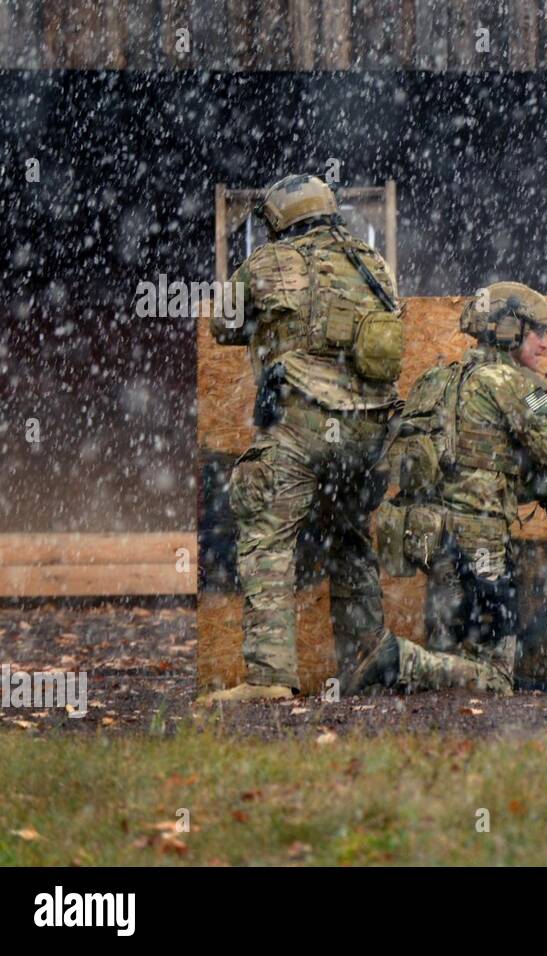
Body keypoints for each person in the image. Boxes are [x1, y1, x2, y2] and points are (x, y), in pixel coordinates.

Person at [201, 173, 405, 703]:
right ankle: (364, 664)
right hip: (367, 434)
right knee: (351, 541)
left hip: (300, 426)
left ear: (277, 218)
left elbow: (222, 326)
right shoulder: (373, 265)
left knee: (267, 538)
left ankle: (269, 678)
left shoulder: (266, 264)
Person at [345, 282, 547, 697]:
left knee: (451, 654)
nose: (544, 343)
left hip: (433, 536)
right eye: (537, 331)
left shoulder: (440, 378)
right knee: (496, 677)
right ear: (509, 330)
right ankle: (397, 659)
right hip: (481, 543)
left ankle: (417, 684)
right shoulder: (511, 382)